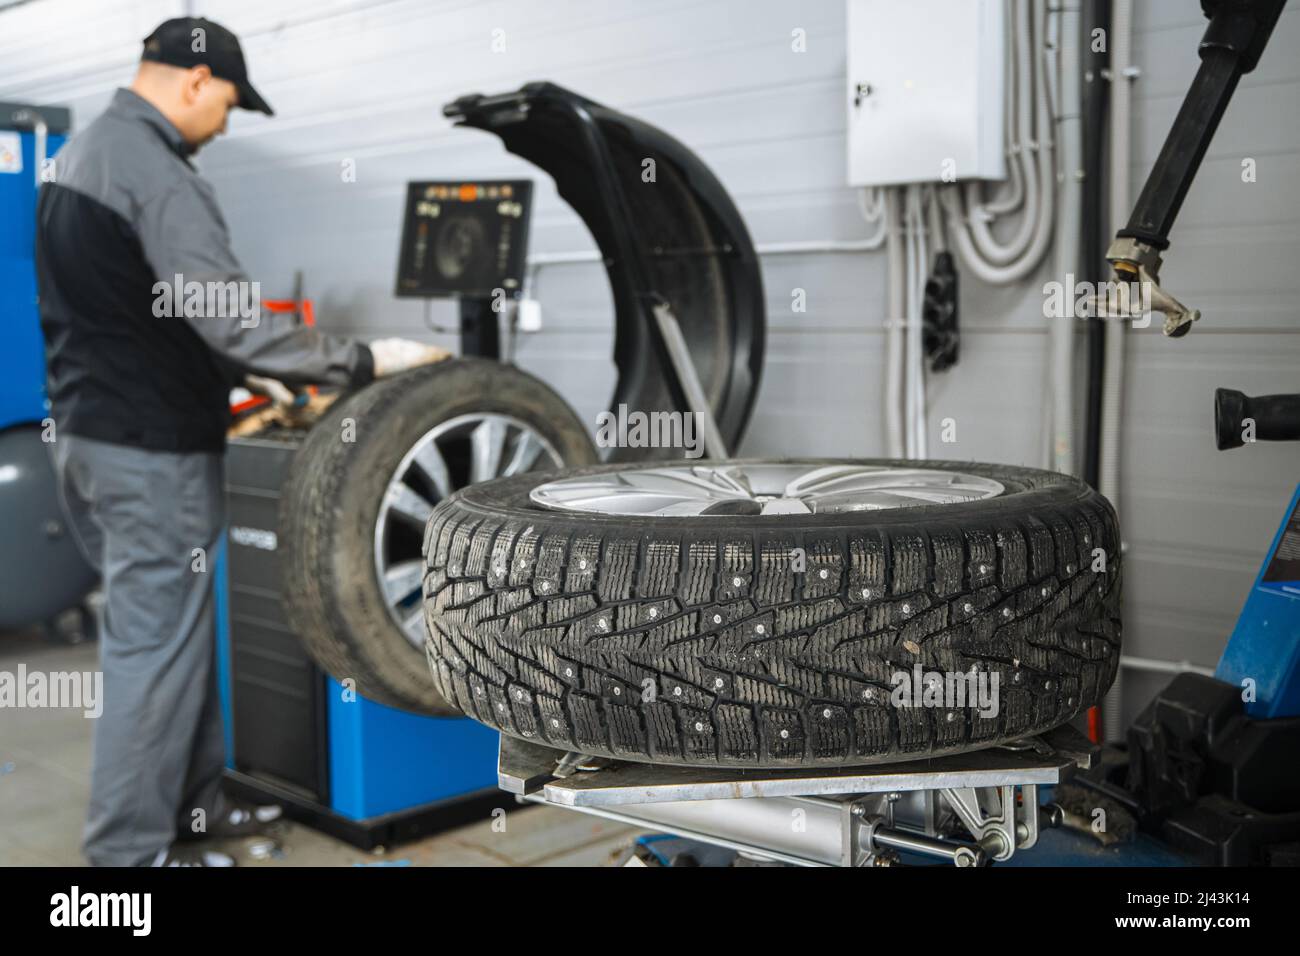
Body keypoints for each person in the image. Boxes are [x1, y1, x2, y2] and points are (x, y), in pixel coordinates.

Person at [35, 16, 447, 866]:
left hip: (92, 436)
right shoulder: (155, 169)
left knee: (176, 639)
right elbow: (228, 313)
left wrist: (229, 374)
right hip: (149, 454)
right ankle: (126, 862)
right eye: (227, 102)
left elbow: (125, 306)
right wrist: (360, 357)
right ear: (194, 80)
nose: (224, 123)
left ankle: (193, 816)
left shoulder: (81, 156)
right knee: (153, 653)